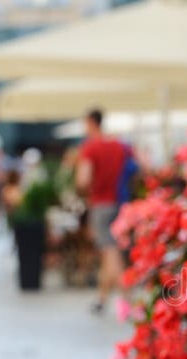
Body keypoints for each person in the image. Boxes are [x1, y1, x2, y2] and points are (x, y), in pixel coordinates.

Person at [76, 108, 127, 314]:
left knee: (110, 252)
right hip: (119, 203)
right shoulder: (118, 145)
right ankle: (102, 298)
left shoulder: (90, 148)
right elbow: (143, 163)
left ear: (90, 122)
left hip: (100, 204)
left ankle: (127, 299)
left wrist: (83, 189)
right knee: (109, 253)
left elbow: (83, 179)